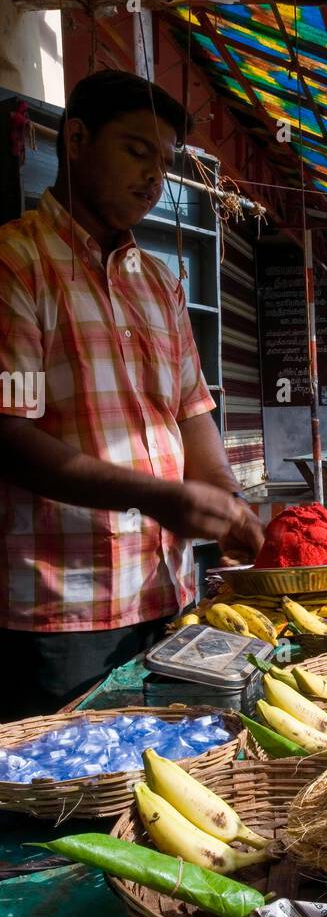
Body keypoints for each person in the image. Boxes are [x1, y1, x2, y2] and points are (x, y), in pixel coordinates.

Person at [0, 70, 264, 721]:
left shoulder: (160, 284)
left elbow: (191, 411)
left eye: (165, 162)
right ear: (78, 140)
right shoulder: (18, 262)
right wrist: (160, 497)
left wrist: (226, 500)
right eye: (136, 151)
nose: (154, 177)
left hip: (165, 592)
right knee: (66, 804)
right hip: (62, 614)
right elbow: (10, 434)